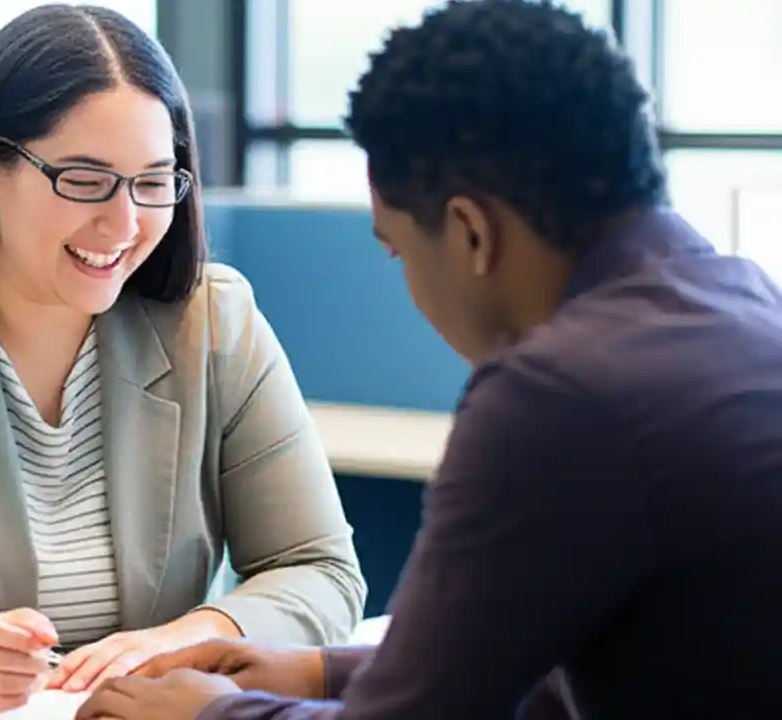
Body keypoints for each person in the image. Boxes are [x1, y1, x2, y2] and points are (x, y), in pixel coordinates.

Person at [73, 1, 782, 718]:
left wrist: (207, 714)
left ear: (471, 234)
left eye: (399, 250)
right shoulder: (745, 303)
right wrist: (320, 672)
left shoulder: (560, 393)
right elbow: (558, 652)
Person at [0, 4, 366, 716]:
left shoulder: (213, 324)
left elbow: (320, 569)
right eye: (84, 180)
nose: (124, 224)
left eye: (153, 182)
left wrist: (191, 638)